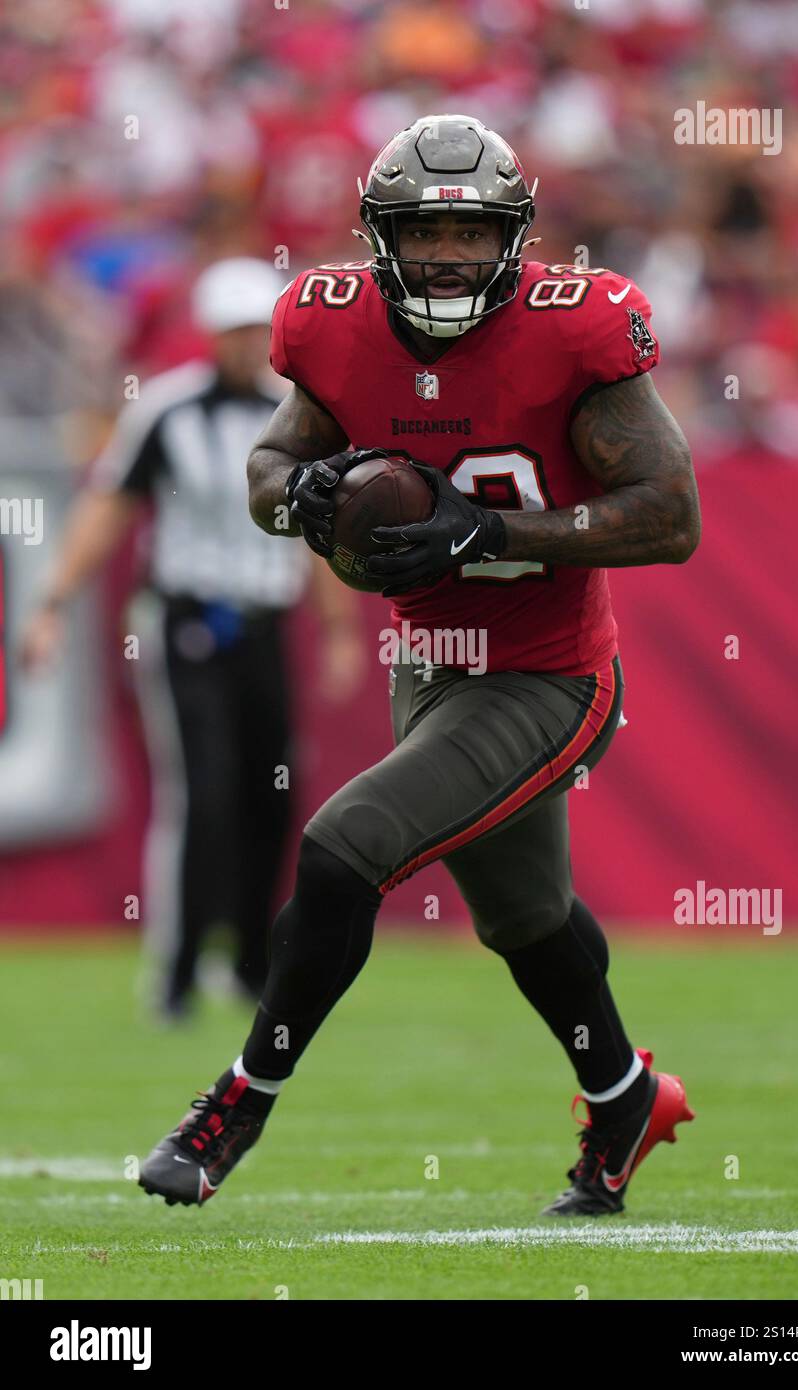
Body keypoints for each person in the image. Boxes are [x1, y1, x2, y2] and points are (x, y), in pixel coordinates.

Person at [138, 116, 699, 1215]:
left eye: (469, 229)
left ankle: (237, 1104)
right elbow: (271, 458)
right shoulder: (332, 326)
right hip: (430, 662)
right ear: (378, 235)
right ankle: (624, 1094)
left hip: (550, 674)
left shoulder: (577, 330)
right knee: (526, 916)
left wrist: (488, 534)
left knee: (344, 848)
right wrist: (289, 498)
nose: (446, 252)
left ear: (514, 239)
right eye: (424, 228)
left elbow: (668, 517)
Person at [20, 257, 365, 1020]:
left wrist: (341, 628)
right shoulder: (167, 412)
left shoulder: (300, 419)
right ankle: (174, 971)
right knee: (203, 792)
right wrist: (53, 600)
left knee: (274, 798)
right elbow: (110, 506)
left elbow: (319, 536)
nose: (247, 346)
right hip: (186, 624)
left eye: (257, 331)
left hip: (265, 626)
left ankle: (245, 963)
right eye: (235, 331)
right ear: (211, 335)